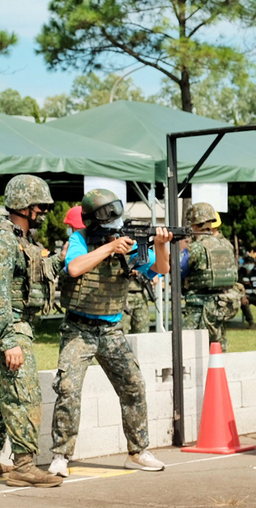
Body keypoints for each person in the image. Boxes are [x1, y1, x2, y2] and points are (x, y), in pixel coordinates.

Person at [48, 189, 171, 478]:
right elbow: (74, 267)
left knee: (134, 386)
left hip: (111, 329)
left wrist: (161, 245)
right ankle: (61, 456)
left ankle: (137, 452)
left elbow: (161, 269)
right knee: (68, 389)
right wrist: (110, 247)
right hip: (79, 328)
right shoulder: (80, 239)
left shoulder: (128, 242)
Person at [0, 175, 61, 488]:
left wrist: (65, 256)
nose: (43, 213)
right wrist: (9, 341)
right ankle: (24, 465)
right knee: (24, 395)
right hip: (9, 327)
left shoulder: (22, 239)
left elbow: (37, 272)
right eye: (39, 207)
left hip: (15, 325)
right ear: (24, 206)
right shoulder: (2, 241)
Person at [179, 202, 241, 350]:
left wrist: (180, 250)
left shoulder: (196, 248)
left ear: (194, 225)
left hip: (198, 309)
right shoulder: (226, 245)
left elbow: (178, 270)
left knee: (188, 350)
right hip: (221, 306)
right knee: (218, 349)